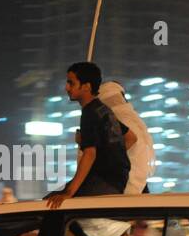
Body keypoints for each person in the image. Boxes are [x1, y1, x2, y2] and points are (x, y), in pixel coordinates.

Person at [45, 61, 130, 208]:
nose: (66, 88)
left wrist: (69, 193)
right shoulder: (104, 110)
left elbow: (90, 154)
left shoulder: (89, 113)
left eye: (71, 83)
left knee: (49, 206)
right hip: (117, 180)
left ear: (86, 87)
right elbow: (130, 138)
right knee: (52, 202)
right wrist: (109, 155)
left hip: (104, 182)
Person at [98, 81, 154, 194]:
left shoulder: (115, 122)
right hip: (138, 185)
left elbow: (119, 150)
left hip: (121, 186)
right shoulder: (135, 121)